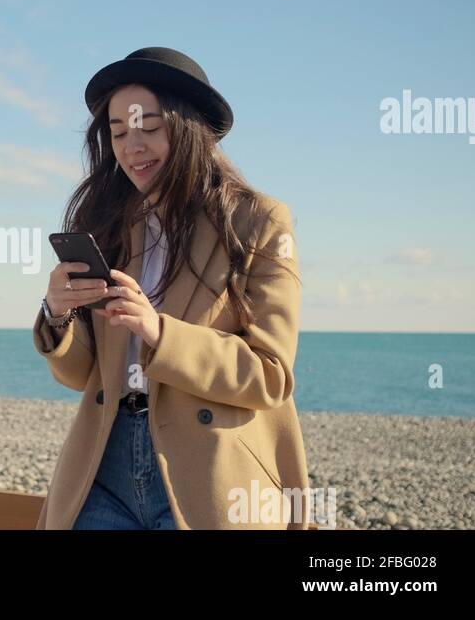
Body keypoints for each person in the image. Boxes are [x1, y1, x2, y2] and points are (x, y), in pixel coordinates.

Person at [33, 47, 310, 530]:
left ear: (189, 127)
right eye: (119, 132)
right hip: (104, 465)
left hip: (209, 473)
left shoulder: (258, 221)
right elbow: (80, 377)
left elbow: (269, 376)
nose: (132, 146)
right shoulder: (108, 225)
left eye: (149, 127)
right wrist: (58, 315)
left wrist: (160, 332)